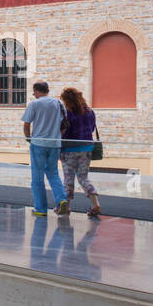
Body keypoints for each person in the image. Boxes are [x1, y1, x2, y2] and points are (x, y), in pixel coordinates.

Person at [21, 80, 69, 217]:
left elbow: (26, 124)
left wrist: (29, 138)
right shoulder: (59, 103)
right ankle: (61, 200)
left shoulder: (35, 104)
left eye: (34, 92)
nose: (34, 94)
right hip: (55, 144)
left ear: (36, 90)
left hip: (39, 144)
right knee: (53, 173)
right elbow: (64, 124)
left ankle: (40, 209)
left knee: (37, 177)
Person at [59, 86, 101, 216]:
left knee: (68, 178)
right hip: (87, 148)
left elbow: (64, 133)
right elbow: (92, 128)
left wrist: (60, 150)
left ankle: (67, 207)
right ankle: (95, 204)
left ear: (67, 101)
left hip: (69, 150)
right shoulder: (89, 112)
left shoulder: (67, 113)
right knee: (83, 177)